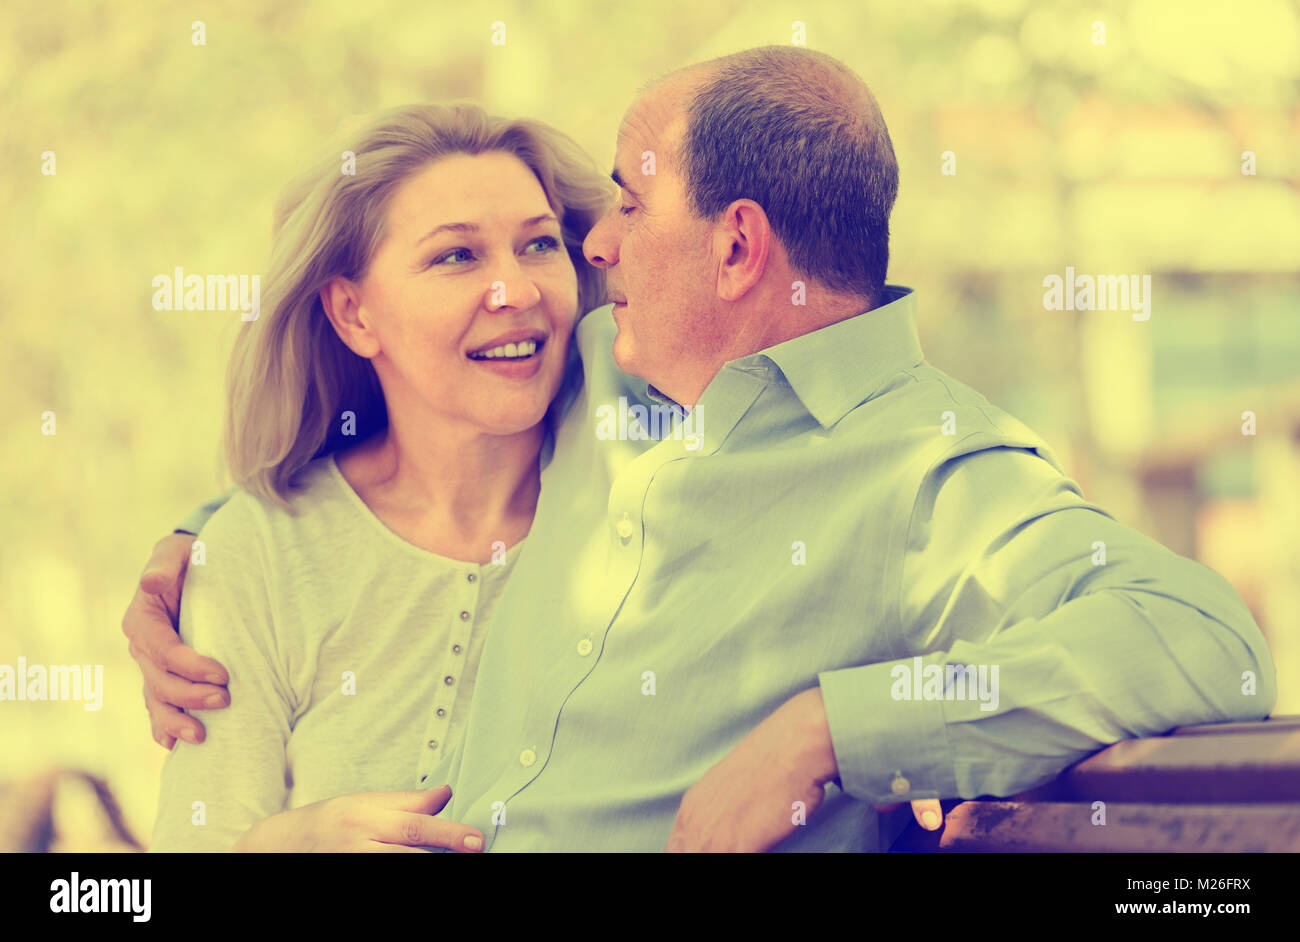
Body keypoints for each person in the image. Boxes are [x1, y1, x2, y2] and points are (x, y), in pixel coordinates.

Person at [128, 47, 1276, 853]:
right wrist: (204, 542)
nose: (591, 244)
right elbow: (399, 403)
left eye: (624, 204)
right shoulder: (597, 375)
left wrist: (829, 730)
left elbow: (1201, 643)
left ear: (737, 249)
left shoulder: (928, 471)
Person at [147, 102, 609, 850]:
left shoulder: (648, 498)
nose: (516, 291)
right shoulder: (258, 553)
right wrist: (291, 842)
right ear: (354, 313)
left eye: (539, 244)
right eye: (456, 256)